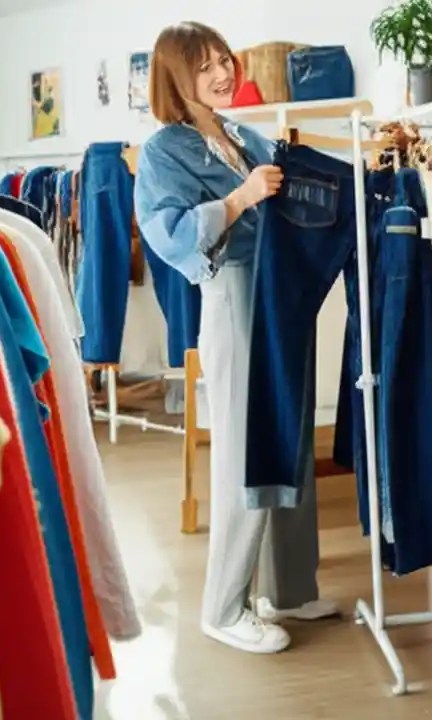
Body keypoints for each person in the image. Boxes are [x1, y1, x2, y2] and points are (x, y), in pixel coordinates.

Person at [134, 21, 336, 654]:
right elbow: (166, 235)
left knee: (291, 436)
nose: (223, 72)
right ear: (175, 77)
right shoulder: (166, 149)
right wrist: (241, 199)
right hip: (234, 296)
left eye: (224, 59)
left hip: (280, 292)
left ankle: (291, 588)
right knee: (247, 448)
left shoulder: (246, 135)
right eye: (204, 66)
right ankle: (224, 606)